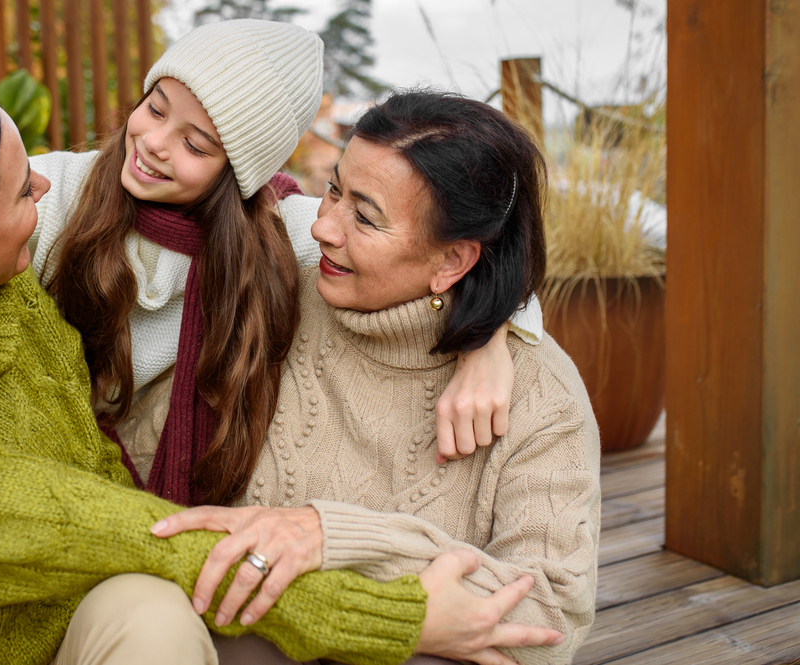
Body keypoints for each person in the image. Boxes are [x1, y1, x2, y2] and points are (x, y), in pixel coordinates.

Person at [0, 77, 565, 665]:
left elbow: (426, 248)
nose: (45, 191)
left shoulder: (18, 297)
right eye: (21, 193)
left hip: (73, 602)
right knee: (157, 598)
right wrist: (403, 614)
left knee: (152, 608)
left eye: (198, 139)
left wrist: (493, 326)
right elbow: (138, 535)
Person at [154, 91, 602, 665]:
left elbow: (547, 615)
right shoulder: (279, 286)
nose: (323, 227)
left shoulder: (542, 397)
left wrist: (333, 537)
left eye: (365, 217)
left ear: (450, 263)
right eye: (333, 189)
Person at [30, 19, 544, 509]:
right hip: (42, 447)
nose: (154, 143)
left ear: (240, 169)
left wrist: (485, 343)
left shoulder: (278, 232)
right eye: (155, 108)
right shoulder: (57, 193)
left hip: (144, 476)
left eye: (194, 144)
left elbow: (486, 270)